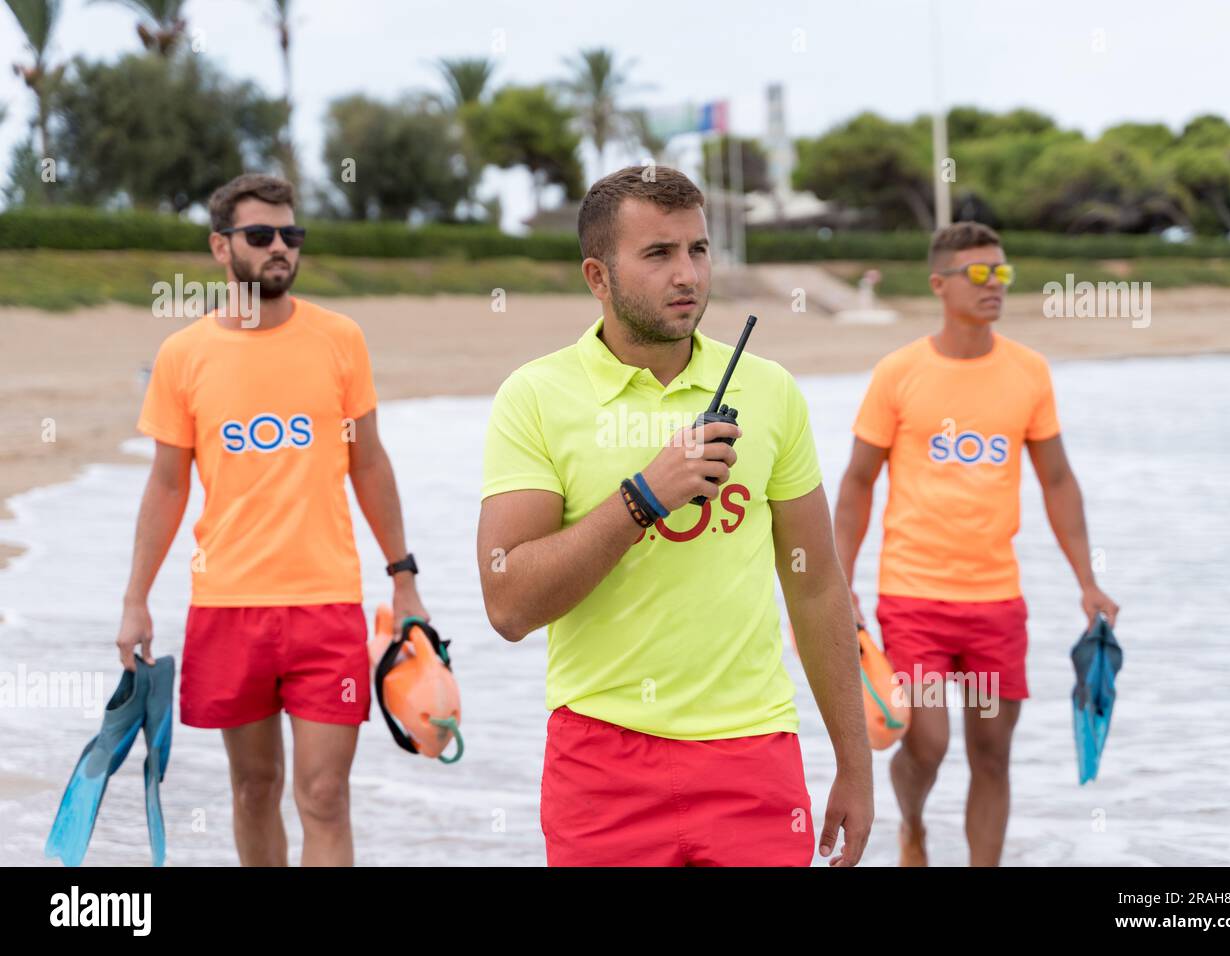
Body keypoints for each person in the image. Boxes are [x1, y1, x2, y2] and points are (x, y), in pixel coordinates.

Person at [476, 166, 873, 867]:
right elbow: (508, 604)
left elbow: (813, 584)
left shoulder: (769, 389)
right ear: (598, 276)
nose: (687, 274)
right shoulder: (534, 397)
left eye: (698, 249)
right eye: (658, 254)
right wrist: (644, 498)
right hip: (601, 759)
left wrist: (854, 759)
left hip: (754, 752)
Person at [117, 173, 428, 866]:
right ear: (221, 248)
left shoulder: (340, 339)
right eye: (261, 235)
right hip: (228, 605)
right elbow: (168, 486)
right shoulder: (184, 355)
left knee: (325, 795)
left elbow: (368, 464)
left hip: (326, 604)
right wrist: (135, 600)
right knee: (255, 789)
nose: (281, 247)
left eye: (292, 234)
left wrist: (403, 577)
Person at [833, 221, 1119, 867]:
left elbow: (1058, 479)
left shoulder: (1028, 372)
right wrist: (839, 580)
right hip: (913, 596)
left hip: (995, 602)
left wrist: (1087, 582)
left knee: (992, 754)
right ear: (940, 285)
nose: (996, 285)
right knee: (926, 741)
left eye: (1002, 272)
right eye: (980, 273)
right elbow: (856, 483)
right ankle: (911, 826)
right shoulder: (899, 372)